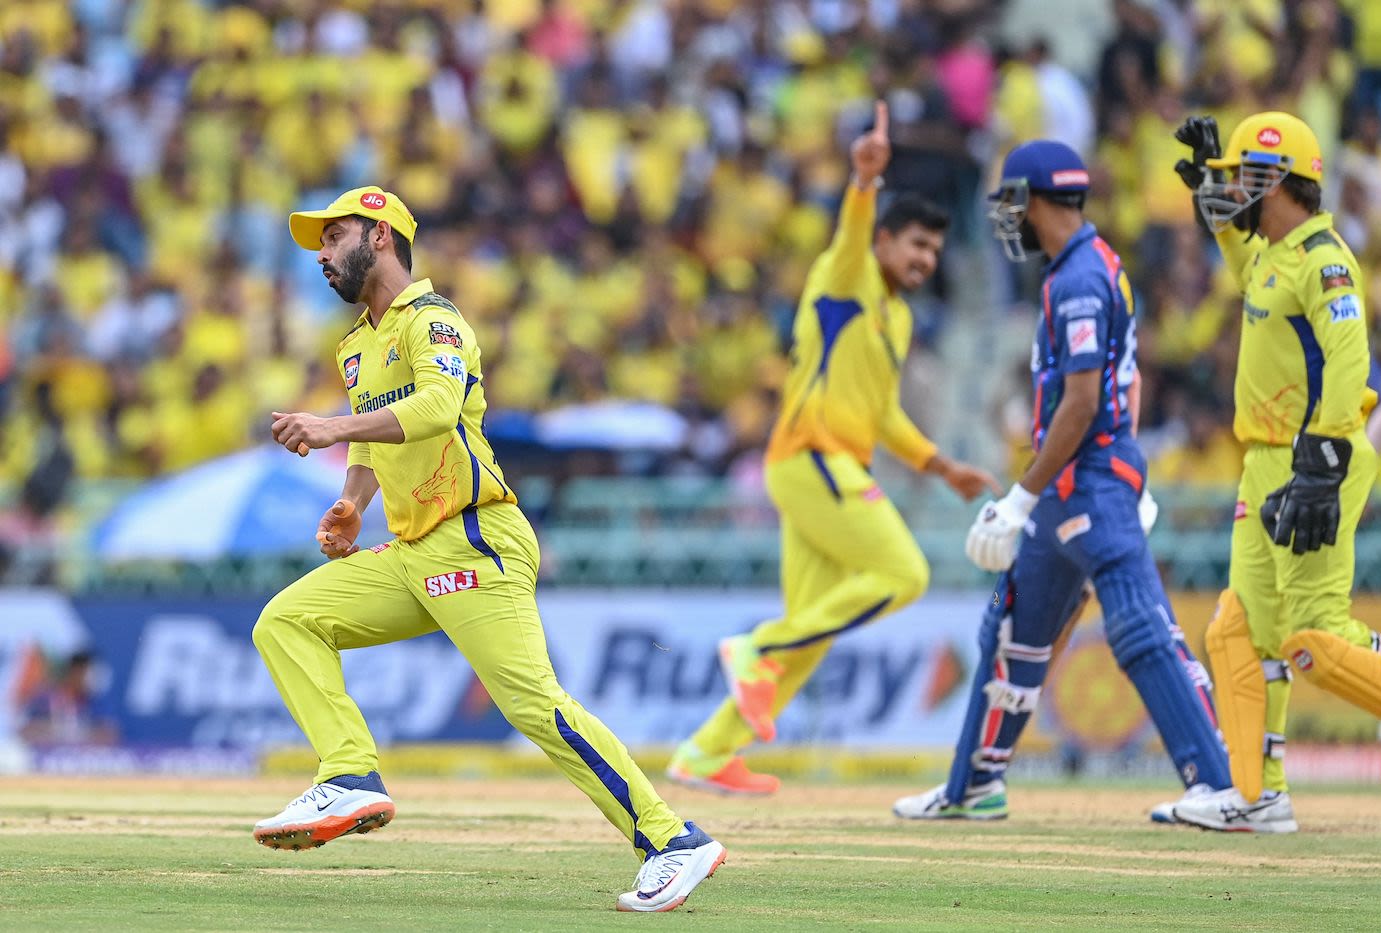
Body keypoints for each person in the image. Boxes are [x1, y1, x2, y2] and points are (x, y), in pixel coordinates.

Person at [255, 186, 725, 912]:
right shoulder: (357, 345)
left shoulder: (434, 319)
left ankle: (674, 839)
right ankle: (350, 775)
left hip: (473, 538)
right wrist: (352, 502)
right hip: (414, 549)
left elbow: (439, 408)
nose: (319, 255)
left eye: (332, 236)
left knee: (535, 704)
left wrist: (331, 428)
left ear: (380, 237)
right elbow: (384, 435)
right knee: (285, 622)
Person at [891, 140, 1232, 823]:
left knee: (1141, 627)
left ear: (1039, 199)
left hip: (1092, 479)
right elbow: (1122, 383)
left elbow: (1081, 402)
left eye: (1014, 202)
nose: (1008, 218)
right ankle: (973, 785)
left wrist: (1020, 498)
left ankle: (1221, 783)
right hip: (1082, 480)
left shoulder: (1078, 278)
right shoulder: (1094, 264)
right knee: (1012, 630)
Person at [666, 103, 1001, 795]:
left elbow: (880, 411)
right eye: (914, 245)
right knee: (905, 573)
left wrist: (942, 467)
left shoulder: (898, 316)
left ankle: (705, 751)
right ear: (882, 241)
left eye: (934, 251)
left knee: (811, 632)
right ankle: (754, 645)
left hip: (821, 468)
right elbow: (851, 234)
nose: (924, 259)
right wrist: (863, 182)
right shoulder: (845, 278)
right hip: (812, 459)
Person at [1169, 112, 1381, 832]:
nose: (1233, 186)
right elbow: (1243, 263)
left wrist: (1323, 457)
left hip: (1311, 459)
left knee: (1313, 640)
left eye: (1245, 176)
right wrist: (1213, 195)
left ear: (1282, 180)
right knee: (1239, 630)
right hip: (1263, 462)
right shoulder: (1271, 254)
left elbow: (1349, 355)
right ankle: (1257, 794)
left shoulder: (1324, 258)